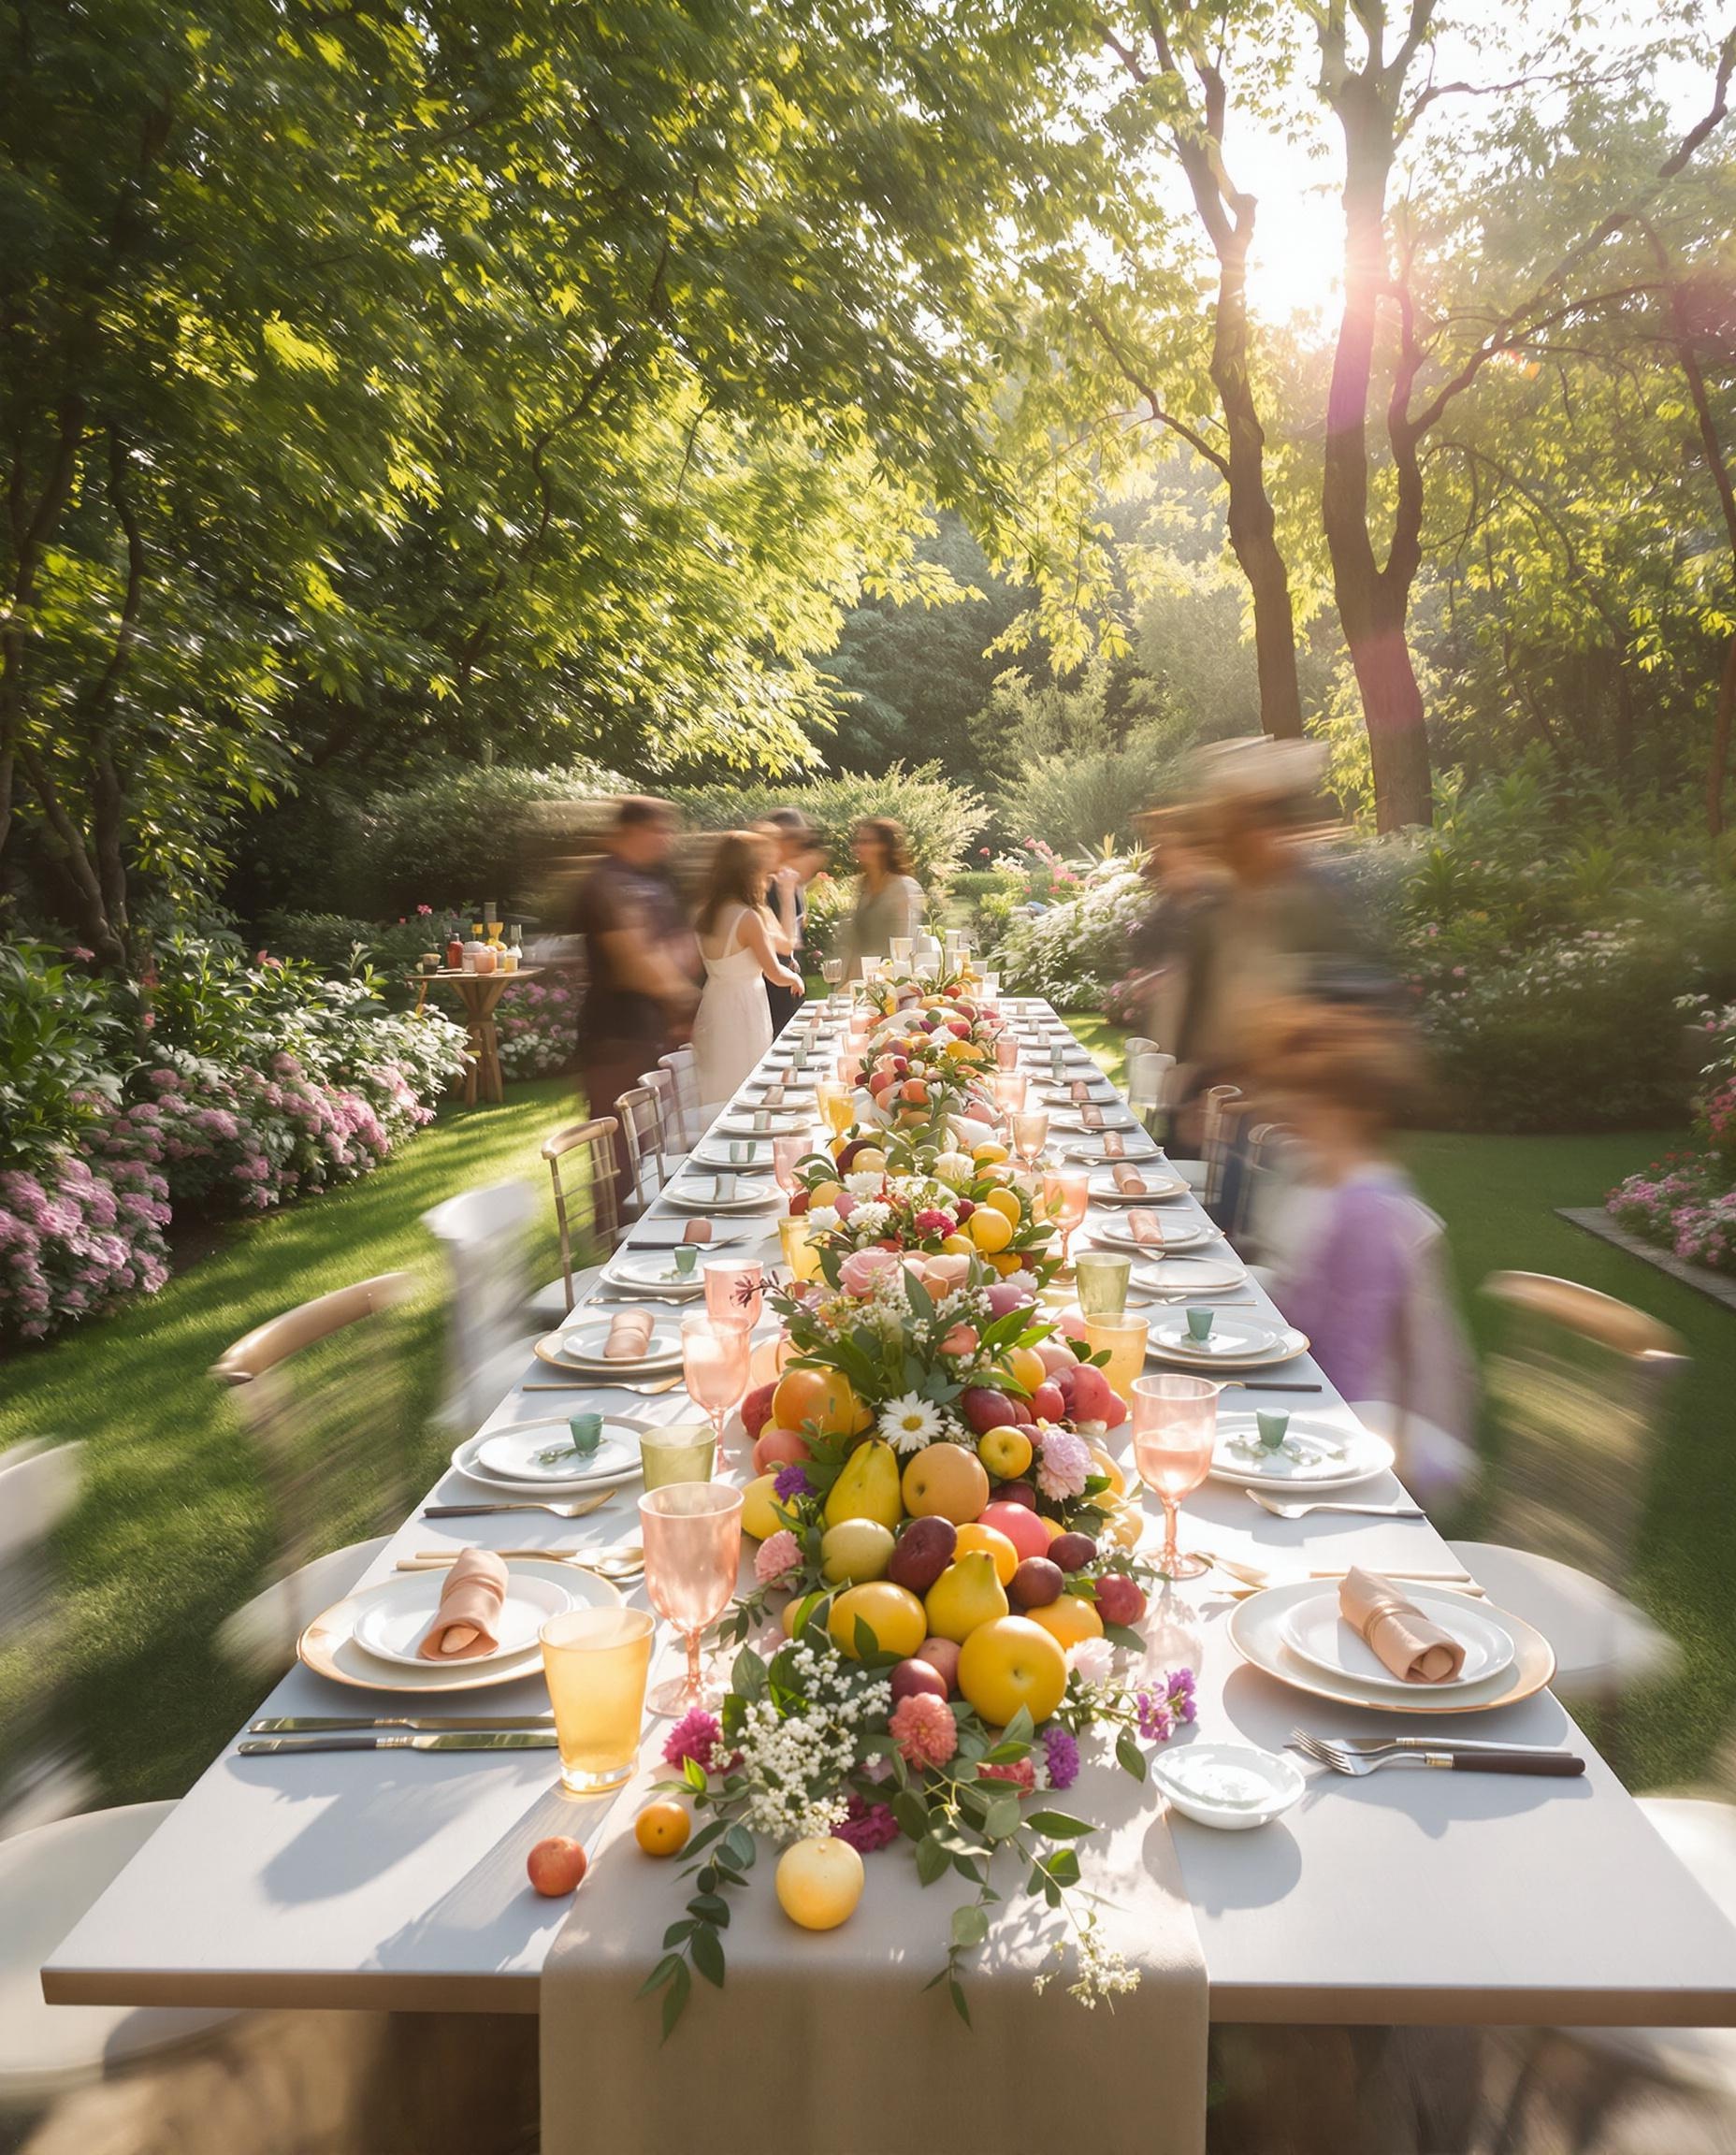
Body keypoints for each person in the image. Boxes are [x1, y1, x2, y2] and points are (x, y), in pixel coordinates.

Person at [1251, 994, 1476, 1507]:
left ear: (1351, 1114)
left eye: (1308, 1099)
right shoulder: (1323, 1180)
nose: (1290, 1109)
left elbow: (1352, 1360)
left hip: (1380, 1425)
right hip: (1320, 1379)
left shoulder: (1366, 1209)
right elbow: (1302, 1303)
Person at [1167, 737, 1361, 1126]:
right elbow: (1196, 1027)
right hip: (1211, 1118)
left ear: (1270, 828)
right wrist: (1191, 1095)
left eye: (1236, 827)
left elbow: (1349, 1039)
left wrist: (1269, 1096)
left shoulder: (1318, 906)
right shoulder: (1213, 911)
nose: (1222, 842)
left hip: (1290, 1135)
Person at [571, 797, 699, 1208]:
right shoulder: (605, 883)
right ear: (629, 832)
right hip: (615, 1036)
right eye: (657, 830)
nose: (666, 839)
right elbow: (631, 961)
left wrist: (672, 982)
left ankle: (653, 1231)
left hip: (654, 1031)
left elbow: (683, 947)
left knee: (654, 1148)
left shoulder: (656, 880)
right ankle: (616, 1244)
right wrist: (683, 995)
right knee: (619, 1153)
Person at [691, 830, 804, 1114]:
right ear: (748, 872)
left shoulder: (704, 913)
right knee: (747, 1079)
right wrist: (794, 977)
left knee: (719, 1081)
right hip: (743, 1008)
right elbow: (774, 971)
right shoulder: (747, 917)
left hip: (714, 1002)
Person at [756, 809, 828, 1034]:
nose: (795, 845)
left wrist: (793, 958)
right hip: (768, 984)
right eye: (788, 838)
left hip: (788, 980)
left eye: (799, 838)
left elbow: (796, 930)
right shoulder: (762, 885)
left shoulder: (790, 879)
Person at [837, 817, 923, 980]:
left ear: (884, 847)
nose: (858, 847)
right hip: (857, 979)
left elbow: (902, 944)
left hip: (888, 980)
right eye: (858, 841)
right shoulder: (863, 885)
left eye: (866, 842)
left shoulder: (902, 887)